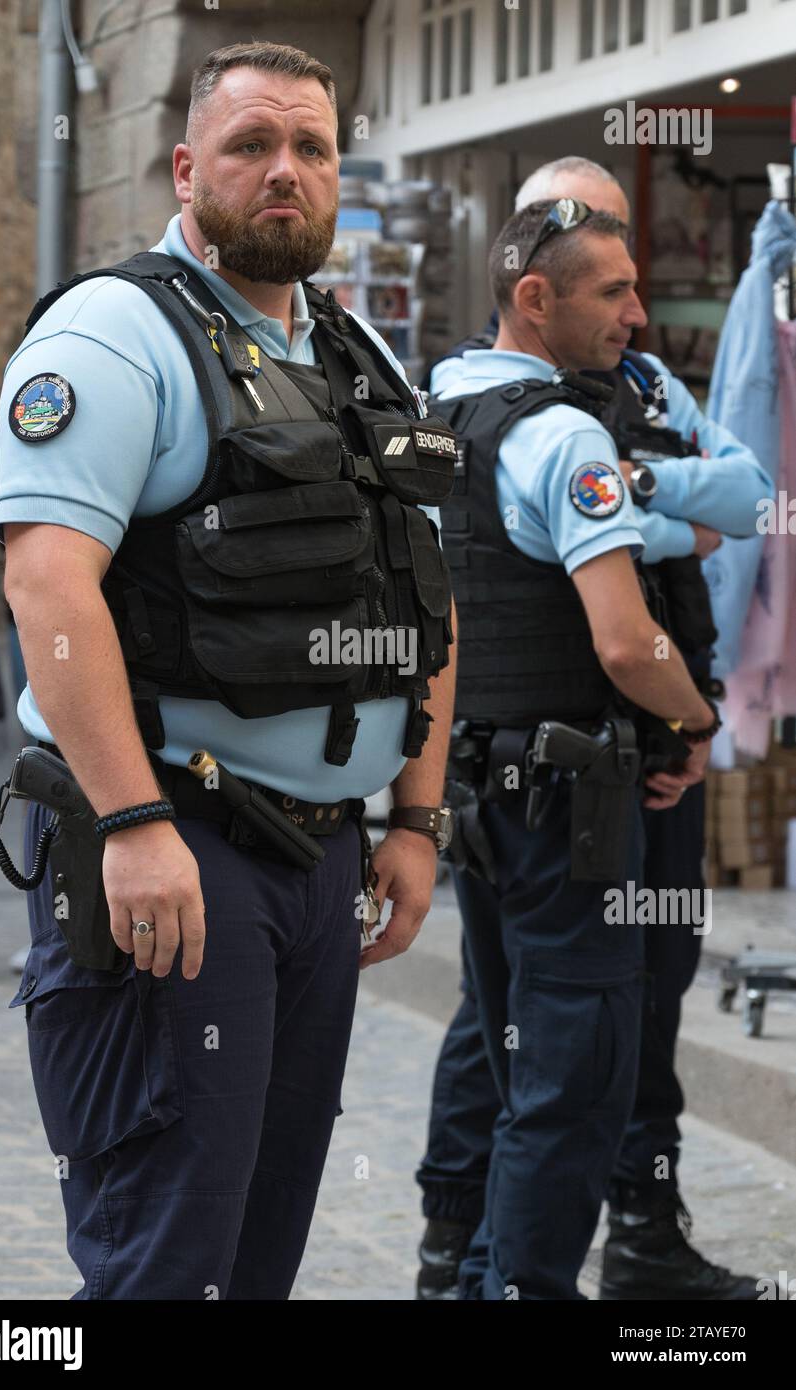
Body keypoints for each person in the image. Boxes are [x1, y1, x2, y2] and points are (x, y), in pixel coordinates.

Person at [0, 40, 458, 1301]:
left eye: (310, 147)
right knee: (167, 1251)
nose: (284, 173)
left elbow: (425, 602)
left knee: (257, 1246)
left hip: (320, 863)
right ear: (189, 166)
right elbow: (47, 584)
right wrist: (134, 818)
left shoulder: (357, 357)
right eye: (251, 146)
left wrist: (414, 819)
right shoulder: (113, 331)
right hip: (174, 848)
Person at [416, 159, 769, 1302]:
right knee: (564, 1076)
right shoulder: (559, 432)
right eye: (612, 286)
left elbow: (739, 500)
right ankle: (500, 1273)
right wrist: (695, 714)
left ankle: (483, 1271)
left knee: (552, 1048)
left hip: (497, 786)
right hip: (570, 799)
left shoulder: (452, 414)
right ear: (533, 294)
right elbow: (623, 639)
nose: (635, 312)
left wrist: (652, 502)